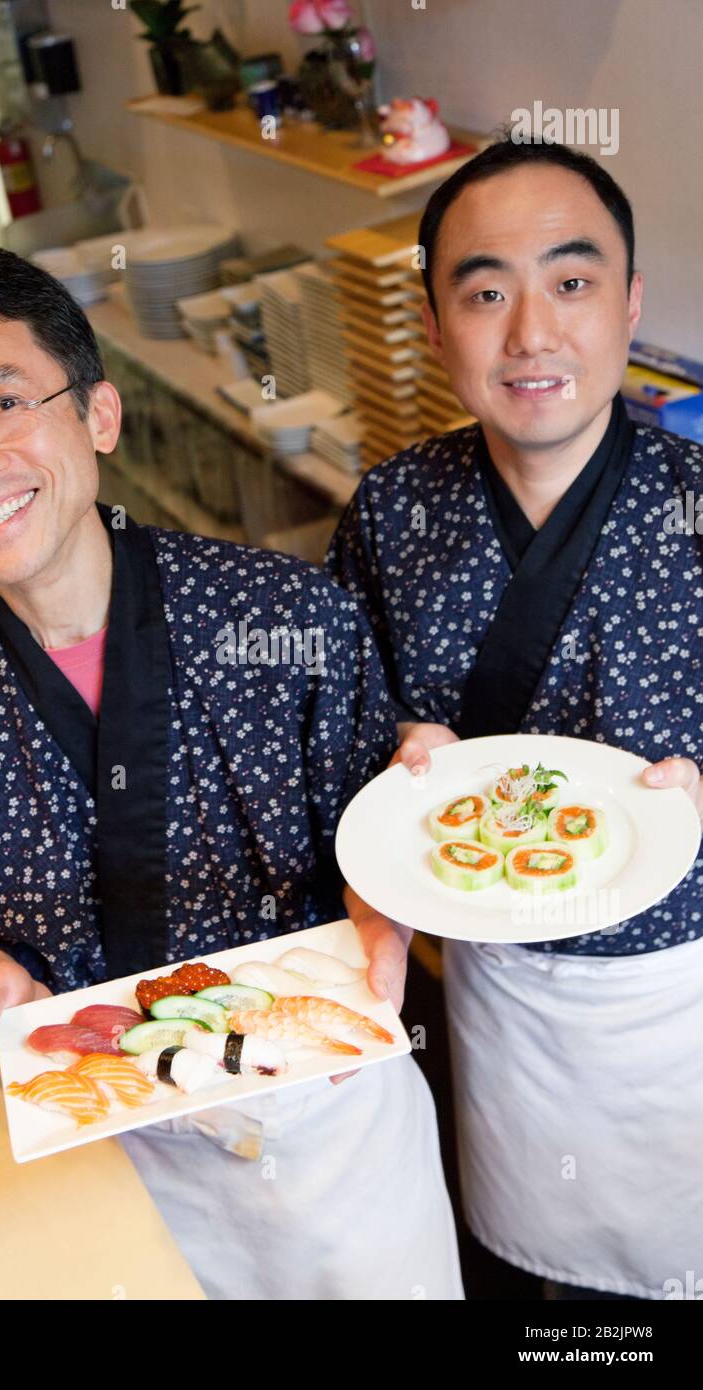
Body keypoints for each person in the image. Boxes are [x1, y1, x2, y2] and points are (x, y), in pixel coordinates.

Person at [0, 242, 462, 1301]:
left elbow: (373, 831)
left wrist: (393, 883)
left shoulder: (286, 615)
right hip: (101, 1135)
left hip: (324, 1111)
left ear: (98, 416)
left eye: (2, 401)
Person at [326, 134, 703, 1301]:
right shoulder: (393, 508)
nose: (530, 333)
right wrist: (390, 750)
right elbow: (339, 718)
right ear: (434, 324)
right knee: (552, 1292)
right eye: (484, 292)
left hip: (676, 995)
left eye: (571, 282)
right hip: (493, 992)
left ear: (628, 302)